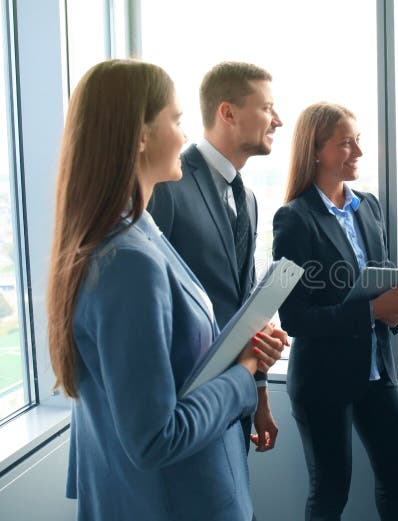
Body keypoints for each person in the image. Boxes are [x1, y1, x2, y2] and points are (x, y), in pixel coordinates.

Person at [48, 59, 284, 521]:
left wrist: (246, 352)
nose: (184, 135)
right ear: (139, 136)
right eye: (175, 121)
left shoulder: (137, 231)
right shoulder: (127, 260)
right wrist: (245, 371)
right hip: (172, 499)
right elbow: (155, 437)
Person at [272, 102, 398, 521]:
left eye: (358, 141)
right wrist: (372, 311)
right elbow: (293, 317)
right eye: (345, 143)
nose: (357, 151)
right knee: (331, 491)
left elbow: (382, 278)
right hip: (322, 381)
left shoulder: (368, 206)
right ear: (316, 151)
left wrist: (396, 307)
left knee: (397, 476)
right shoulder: (293, 219)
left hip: (377, 373)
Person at [149, 61, 287, 452]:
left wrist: (259, 393)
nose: (278, 120)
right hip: (182, 409)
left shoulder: (250, 199)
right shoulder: (167, 185)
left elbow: (244, 303)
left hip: (235, 399)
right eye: (267, 108)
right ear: (227, 112)